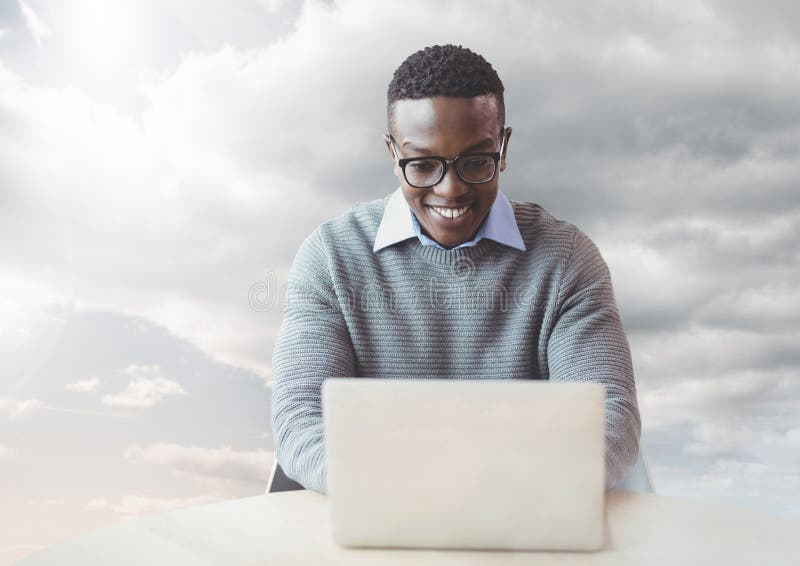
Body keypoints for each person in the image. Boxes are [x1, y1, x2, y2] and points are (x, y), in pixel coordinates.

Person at [271, 44, 640, 494]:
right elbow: (300, 418)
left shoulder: (567, 260)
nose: (451, 190)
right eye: (422, 165)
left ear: (502, 148)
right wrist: (406, 490)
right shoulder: (331, 257)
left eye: (475, 162)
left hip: (525, 521)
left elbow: (608, 417)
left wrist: (500, 492)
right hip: (378, 517)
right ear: (393, 154)